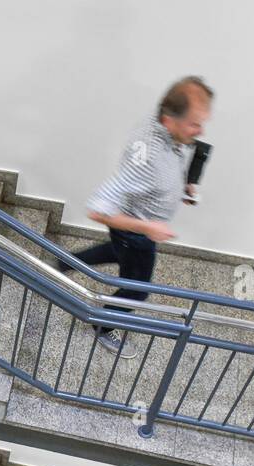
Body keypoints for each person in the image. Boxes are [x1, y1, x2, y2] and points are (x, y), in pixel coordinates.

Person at [62, 76, 214, 358]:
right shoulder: (146, 160)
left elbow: (166, 169)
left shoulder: (168, 132)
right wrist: (148, 227)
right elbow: (98, 209)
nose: (201, 130)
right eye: (195, 124)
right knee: (138, 291)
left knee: (119, 252)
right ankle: (102, 325)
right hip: (137, 234)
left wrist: (183, 187)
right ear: (169, 121)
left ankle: (64, 262)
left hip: (133, 233)